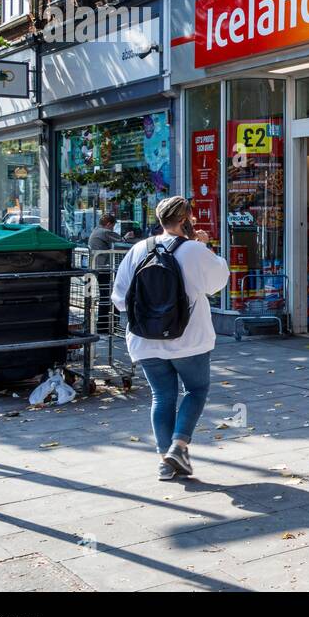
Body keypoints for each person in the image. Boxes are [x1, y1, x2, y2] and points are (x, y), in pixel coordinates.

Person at [111, 196, 229, 481]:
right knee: (196, 391)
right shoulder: (194, 250)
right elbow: (218, 282)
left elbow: (119, 299)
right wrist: (204, 247)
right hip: (188, 340)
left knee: (162, 396)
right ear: (186, 220)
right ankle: (179, 445)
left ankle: (166, 462)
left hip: (145, 341)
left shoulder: (139, 249)